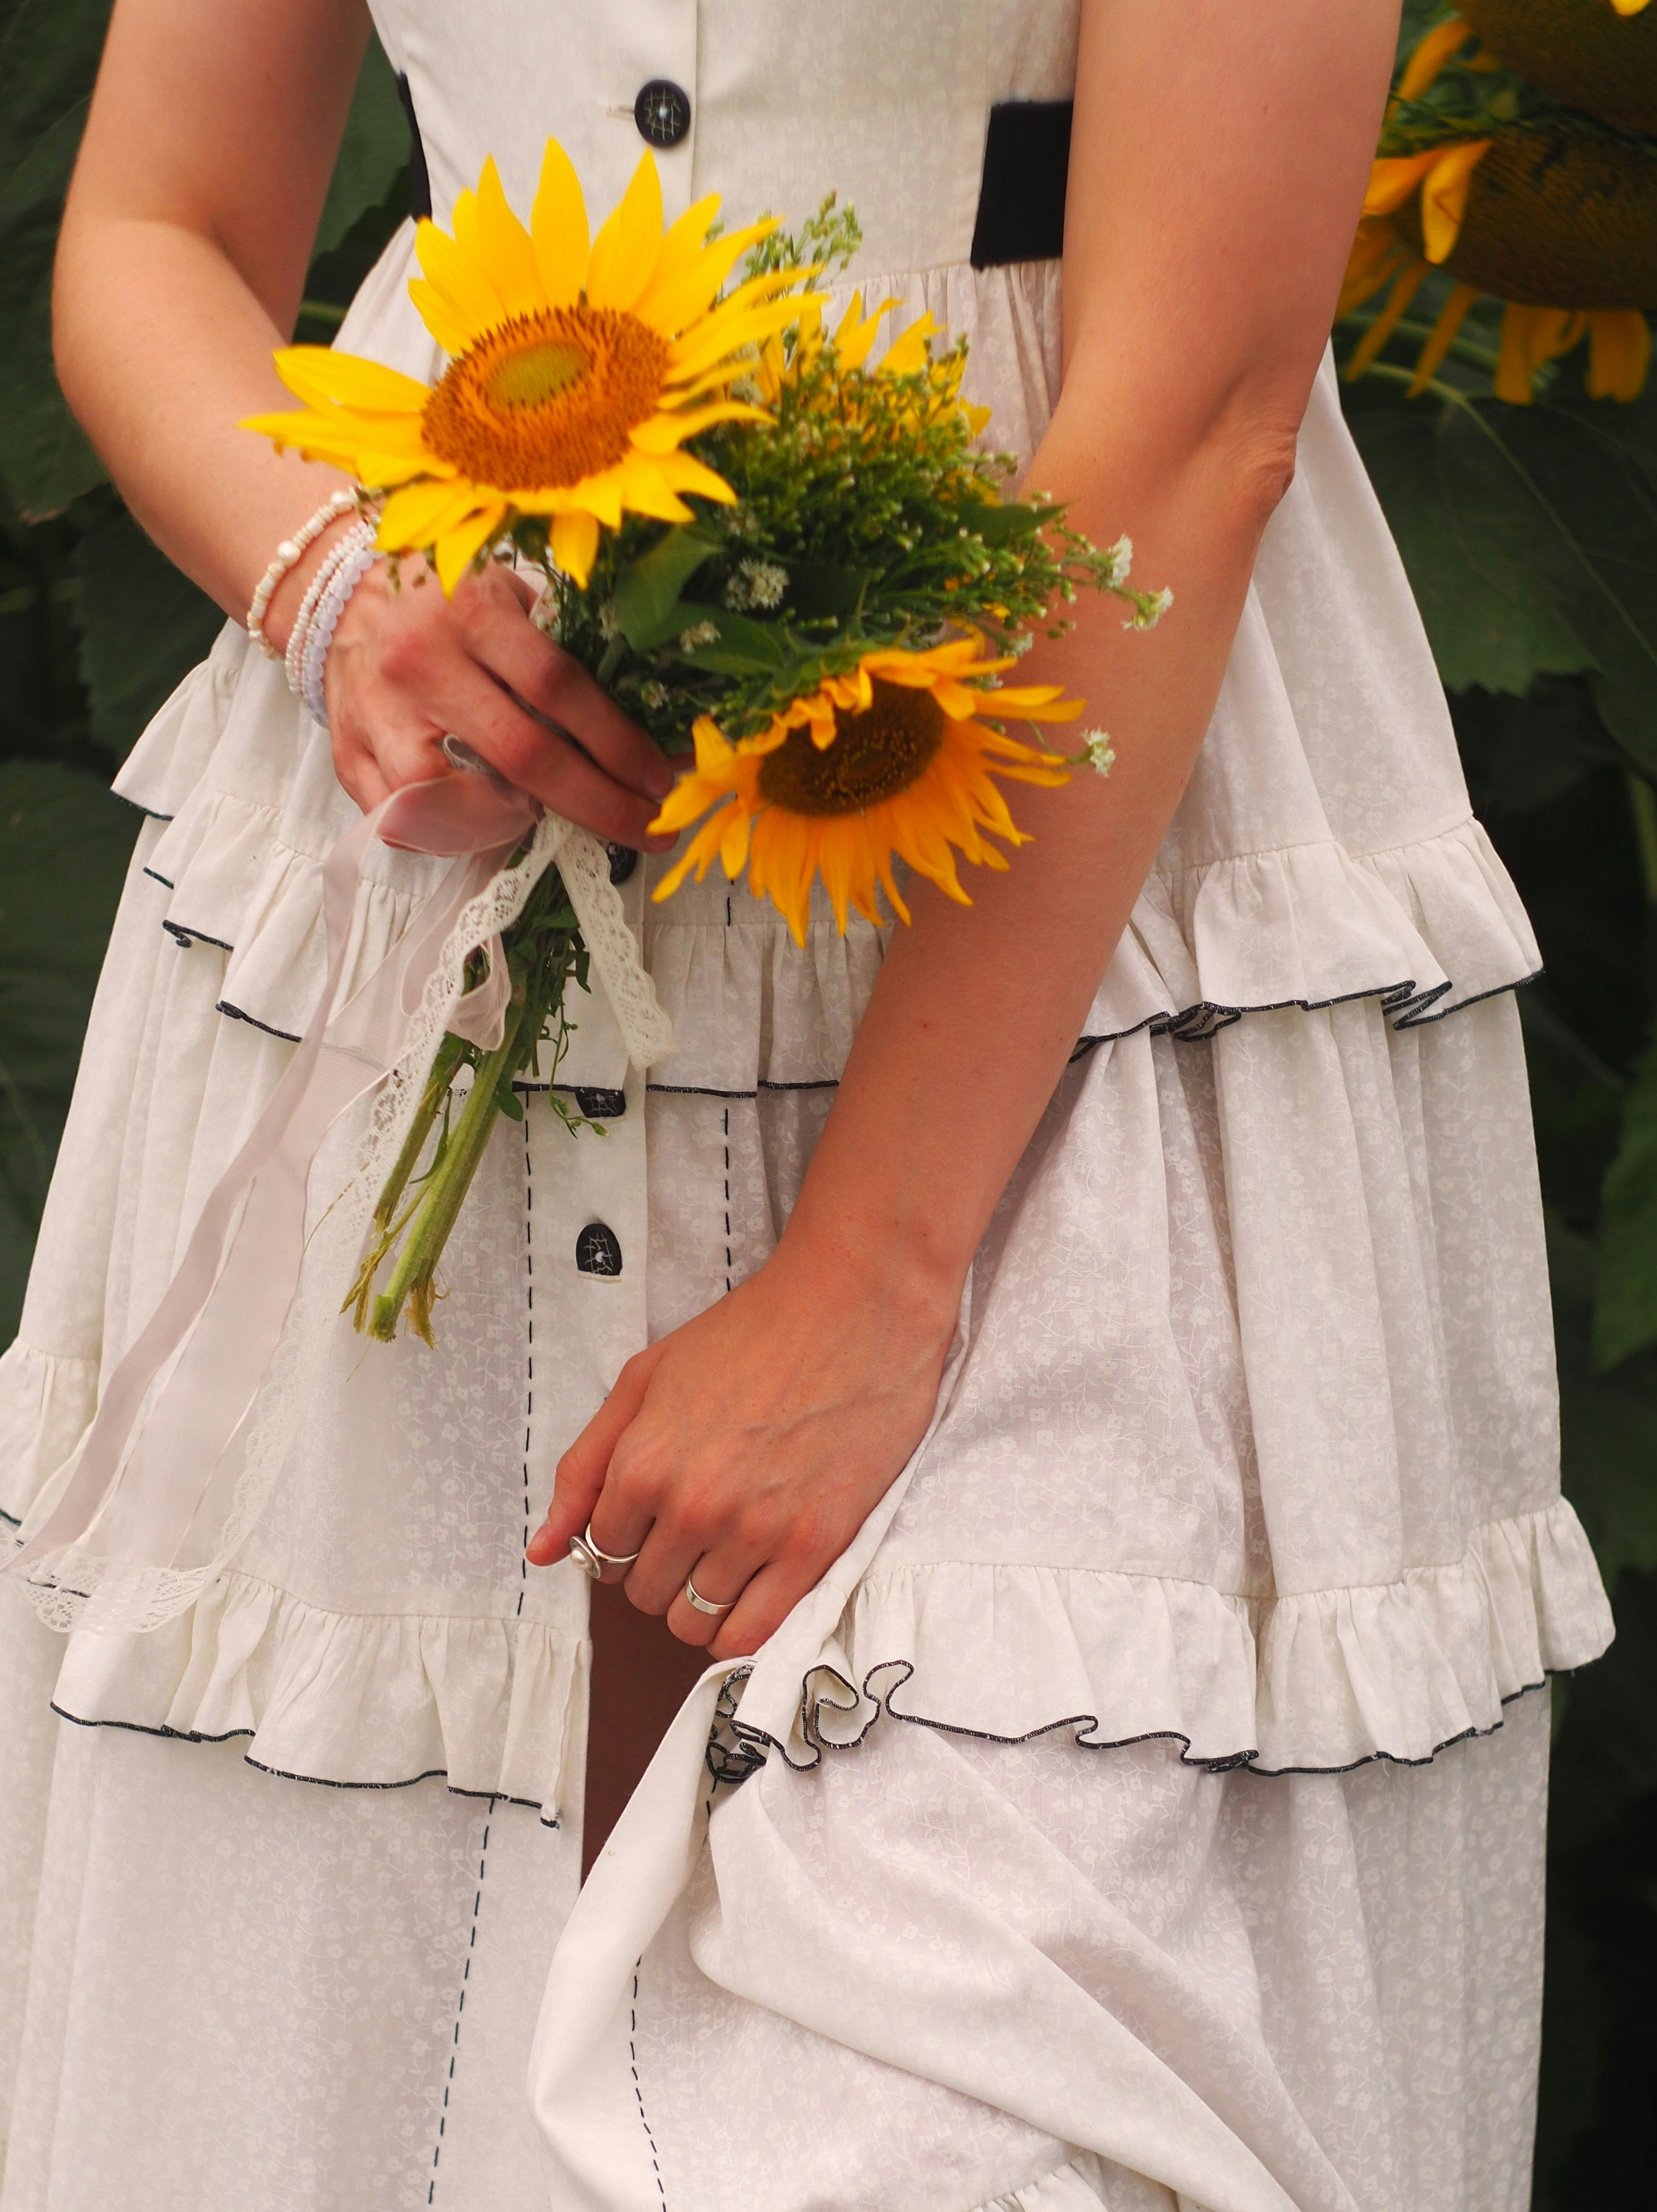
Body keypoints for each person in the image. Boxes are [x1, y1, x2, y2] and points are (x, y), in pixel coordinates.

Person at [0, 1, 1615, 2207]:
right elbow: (154, 227)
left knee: (1008, 2099)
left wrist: (871, 1269)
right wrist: (337, 593)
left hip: (1094, 931)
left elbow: (1200, 404)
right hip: (433, 919)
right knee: (352, 2060)